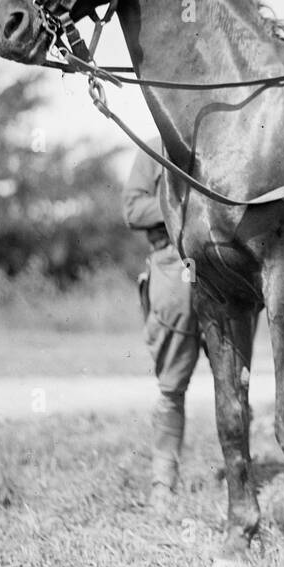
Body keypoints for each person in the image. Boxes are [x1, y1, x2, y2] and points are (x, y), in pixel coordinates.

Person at [122, 139, 202, 510]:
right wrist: (187, 203)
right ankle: (163, 484)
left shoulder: (228, 139)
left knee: (239, 379)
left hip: (228, 266)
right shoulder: (155, 148)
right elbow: (133, 208)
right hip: (174, 265)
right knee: (171, 385)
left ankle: (240, 474)